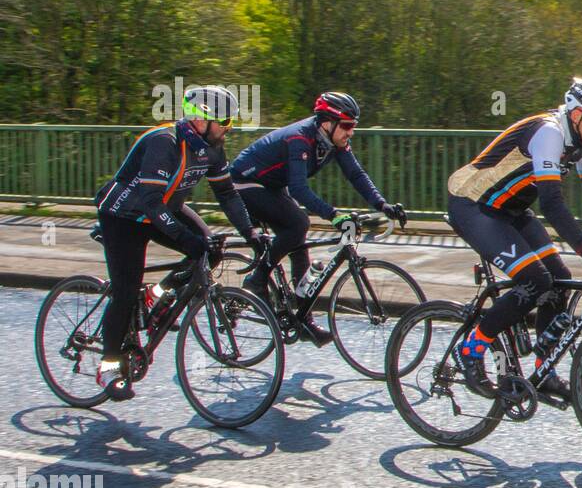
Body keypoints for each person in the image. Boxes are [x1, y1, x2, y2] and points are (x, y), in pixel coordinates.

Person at [446, 79, 582, 396]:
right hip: (473, 205)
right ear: (577, 114)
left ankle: (542, 370)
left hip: (512, 209)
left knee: (559, 279)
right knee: (535, 279)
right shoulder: (549, 133)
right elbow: (552, 205)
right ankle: (471, 349)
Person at [93, 85, 266, 400]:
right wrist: (186, 238)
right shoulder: (164, 143)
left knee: (210, 248)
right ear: (201, 120)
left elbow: (227, 194)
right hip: (126, 217)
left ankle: (156, 297)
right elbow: (150, 203)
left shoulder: (212, 147)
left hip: (165, 208)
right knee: (125, 290)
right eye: (225, 122)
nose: (229, 128)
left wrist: (250, 232)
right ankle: (109, 366)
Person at [230, 92, 407, 346]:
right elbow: (299, 189)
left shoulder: (333, 142)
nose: (351, 132)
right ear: (327, 123)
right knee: (299, 224)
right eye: (346, 126)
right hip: (244, 183)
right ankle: (257, 280)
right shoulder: (300, 138)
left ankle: (303, 320)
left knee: (298, 242)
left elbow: (356, 175)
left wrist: (382, 204)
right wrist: (334, 215)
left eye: (353, 126)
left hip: (271, 185)